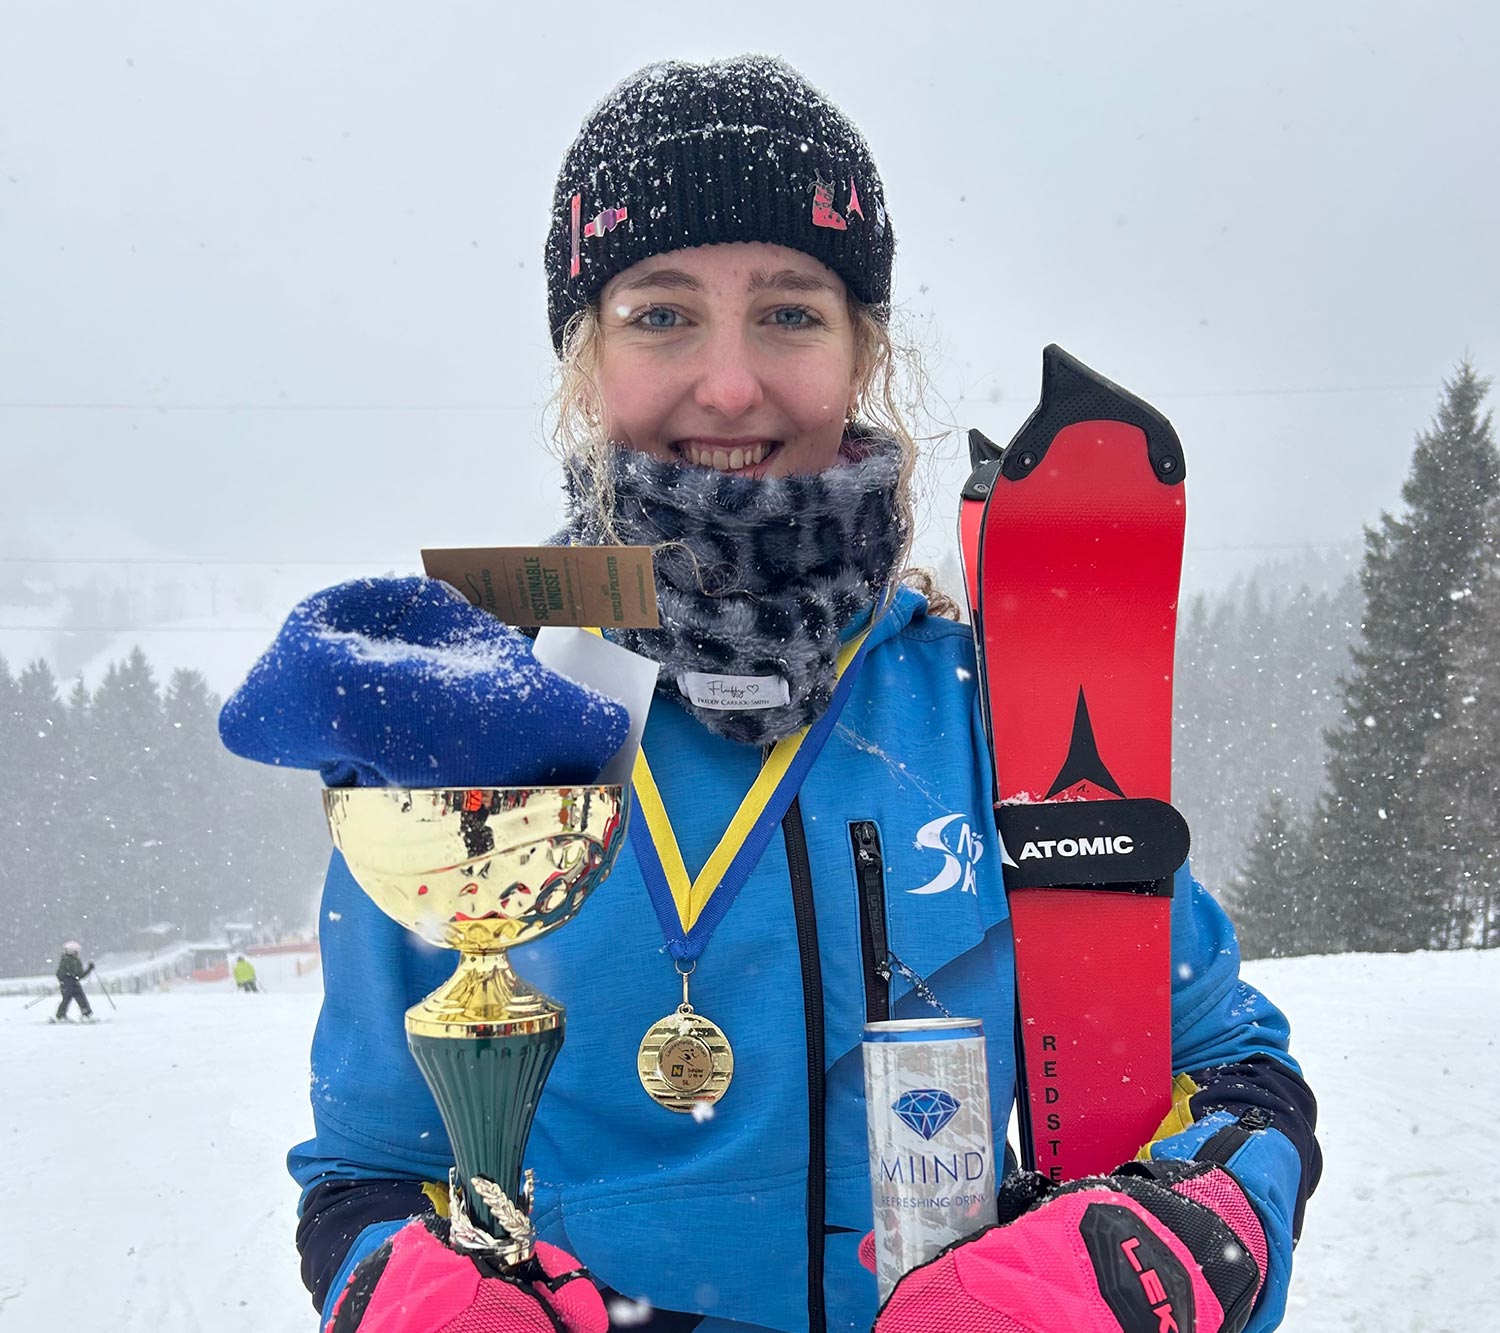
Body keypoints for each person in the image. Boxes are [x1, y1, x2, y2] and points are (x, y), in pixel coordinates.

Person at [219, 56, 1321, 1333]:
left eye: (791, 313)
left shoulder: (992, 709)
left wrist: (1136, 1261)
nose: (732, 384)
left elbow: (1236, 1083)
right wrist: (418, 1295)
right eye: (662, 313)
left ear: (865, 352)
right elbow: (366, 1174)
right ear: (584, 363)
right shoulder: (473, 724)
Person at [54, 941, 96, 1023]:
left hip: (72, 984)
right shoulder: (69, 960)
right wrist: (89, 969)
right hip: (69, 984)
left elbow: (78, 975)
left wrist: (89, 969)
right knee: (72, 999)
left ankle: (62, 1016)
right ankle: (62, 1016)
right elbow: (77, 974)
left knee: (75, 999)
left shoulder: (71, 960)